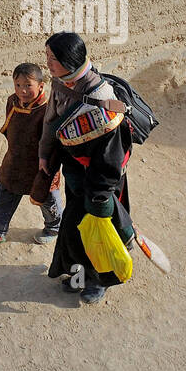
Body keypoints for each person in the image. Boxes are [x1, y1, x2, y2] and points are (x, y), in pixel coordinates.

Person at [38, 31, 134, 306]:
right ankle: (78, 276)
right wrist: (45, 155)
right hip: (75, 174)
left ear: (70, 60)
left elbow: (111, 156)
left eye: (53, 59)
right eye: (47, 57)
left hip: (101, 181)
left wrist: (101, 196)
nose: (48, 64)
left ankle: (98, 282)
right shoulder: (60, 82)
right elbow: (50, 121)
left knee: (99, 233)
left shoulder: (102, 99)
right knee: (74, 229)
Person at [0, 62, 63, 247]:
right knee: (3, 196)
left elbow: (53, 141)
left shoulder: (48, 110)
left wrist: (48, 163)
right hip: (15, 163)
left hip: (41, 166)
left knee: (48, 200)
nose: (22, 91)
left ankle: (54, 228)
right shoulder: (12, 102)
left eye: (27, 85)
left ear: (41, 86)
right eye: (18, 85)